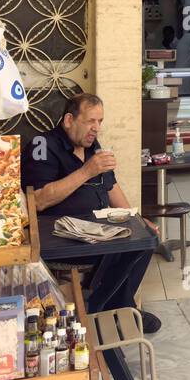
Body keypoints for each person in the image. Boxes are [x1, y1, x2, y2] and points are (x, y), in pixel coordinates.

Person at [23, 93, 161, 334]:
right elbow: (38, 201)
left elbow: (111, 186)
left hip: (95, 229)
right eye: (90, 121)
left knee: (146, 238)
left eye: (100, 122)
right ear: (68, 120)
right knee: (122, 249)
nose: (96, 128)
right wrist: (87, 171)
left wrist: (135, 218)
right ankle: (110, 309)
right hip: (61, 237)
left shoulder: (91, 146)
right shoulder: (42, 145)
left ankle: (115, 307)